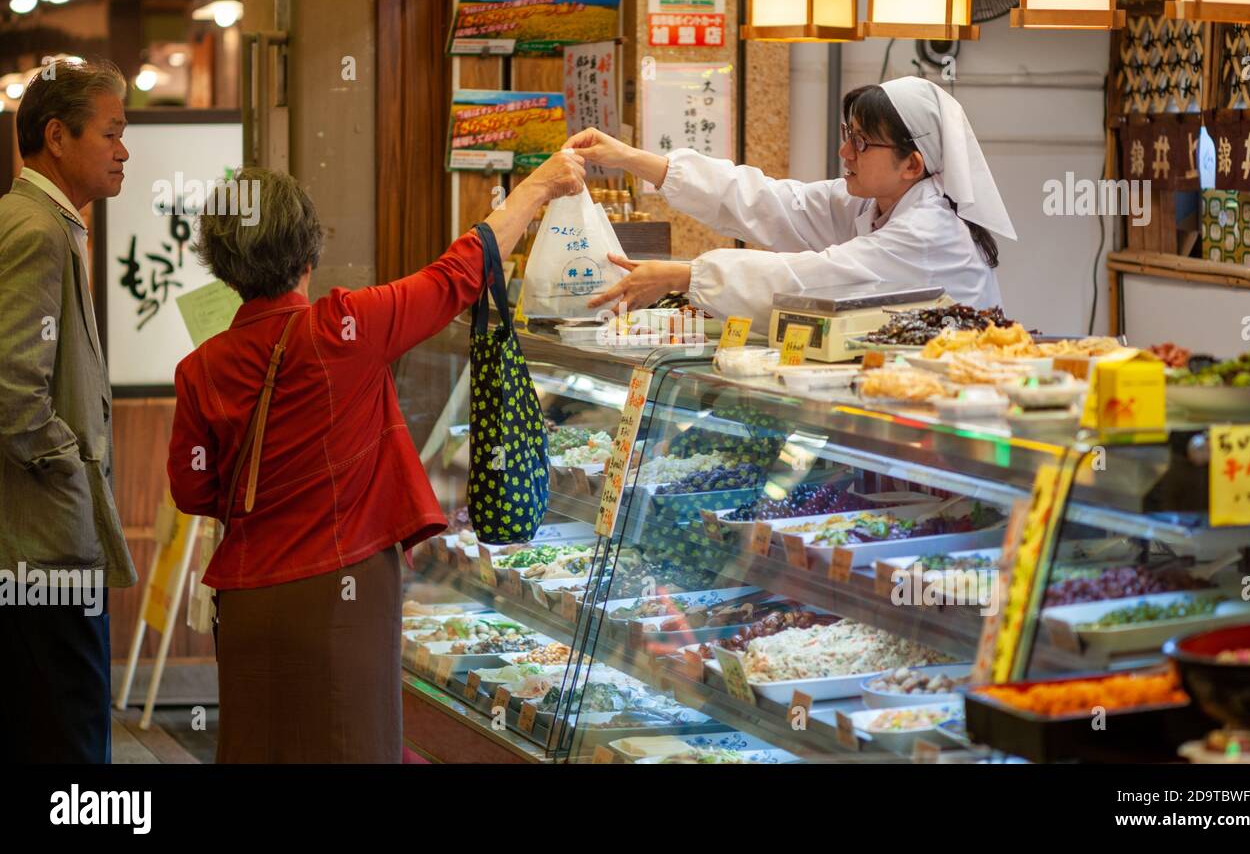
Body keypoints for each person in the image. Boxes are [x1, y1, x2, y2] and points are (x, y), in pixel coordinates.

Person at [167, 152, 584, 763]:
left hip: (249, 603)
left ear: (225, 266)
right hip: (343, 597)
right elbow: (458, 273)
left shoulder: (200, 368)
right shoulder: (344, 327)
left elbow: (193, 491)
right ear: (307, 251)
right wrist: (541, 185)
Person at [567, 76, 1017, 325]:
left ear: (912, 165)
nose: (845, 153)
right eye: (848, 136)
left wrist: (686, 275)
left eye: (861, 142)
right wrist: (633, 159)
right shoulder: (871, 203)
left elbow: (811, 280)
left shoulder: (927, 231)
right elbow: (772, 202)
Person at [0, 57, 135, 763]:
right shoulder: (38, 231)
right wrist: (72, 472)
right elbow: (13, 388)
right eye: (111, 132)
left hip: (35, 542)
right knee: (71, 742)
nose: (124, 150)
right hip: (44, 546)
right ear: (57, 136)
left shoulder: (37, 221)